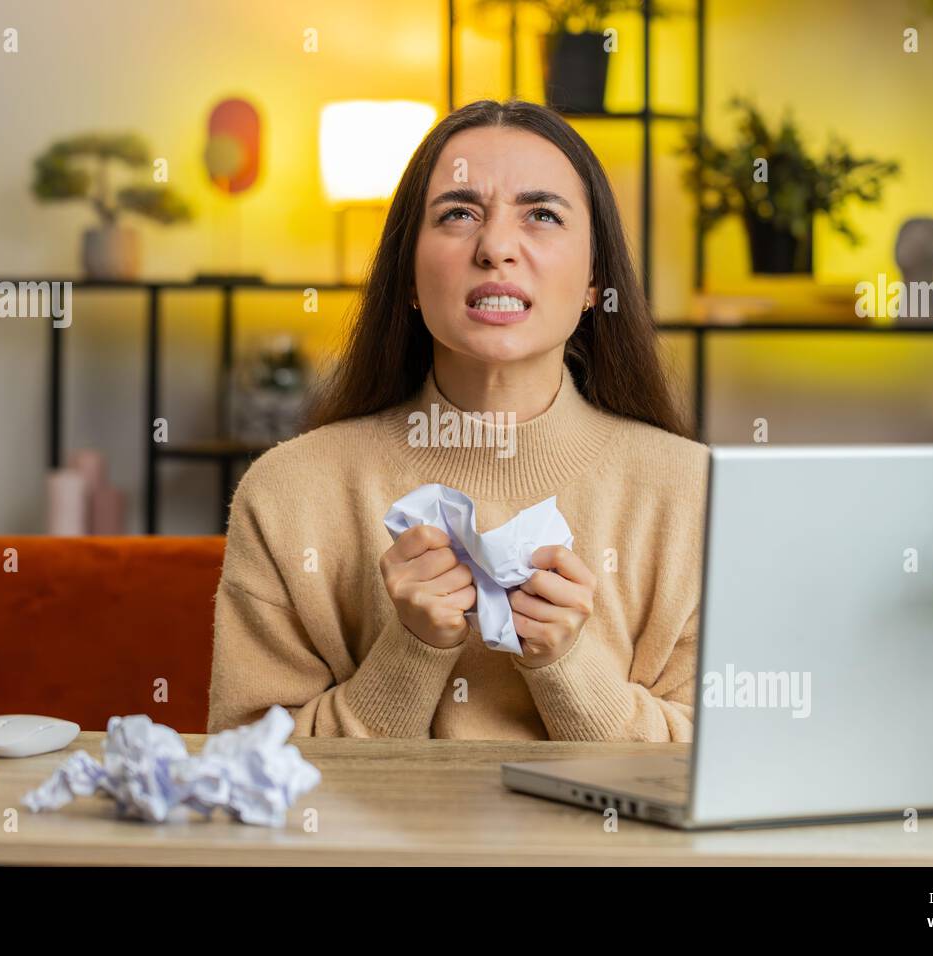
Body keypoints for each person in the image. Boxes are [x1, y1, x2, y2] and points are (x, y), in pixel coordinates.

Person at [208, 99, 708, 741]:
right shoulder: (286, 494)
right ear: (409, 276)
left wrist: (570, 668)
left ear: (594, 279)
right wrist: (408, 653)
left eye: (543, 215)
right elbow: (241, 768)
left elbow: (732, 774)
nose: (496, 247)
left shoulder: (695, 494)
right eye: (459, 213)